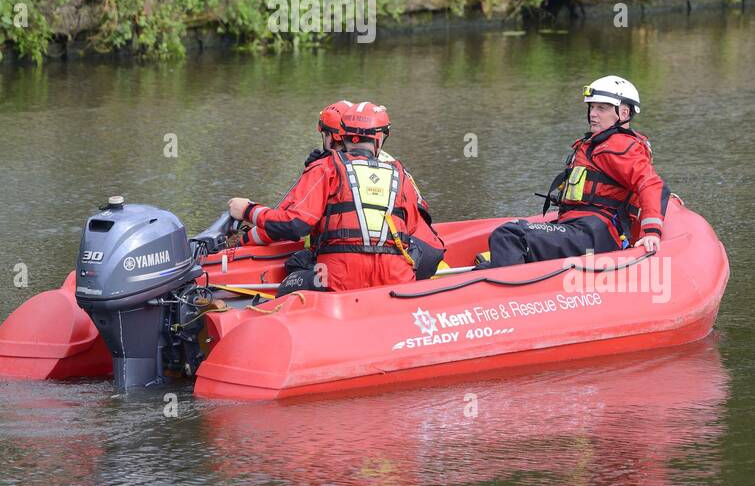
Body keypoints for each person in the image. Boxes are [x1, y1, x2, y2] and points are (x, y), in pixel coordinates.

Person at [227, 101, 440, 293]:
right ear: (379, 139)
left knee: (291, 278)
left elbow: (294, 223)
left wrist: (247, 211)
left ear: (339, 135)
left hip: (340, 277)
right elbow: (409, 226)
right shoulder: (397, 171)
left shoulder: (325, 168)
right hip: (397, 274)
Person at [484, 76, 669, 268]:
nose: (593, 114)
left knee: (509, 235)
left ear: (623, 113)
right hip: (580, 228)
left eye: (601, 108)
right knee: (500, 248)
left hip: (594, 233)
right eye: (592, 107)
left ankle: (512, 292)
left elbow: (650, 183)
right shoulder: (598, 144)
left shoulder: (619, 146)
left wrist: (651, 232)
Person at [296, 99, 445, 282]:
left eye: (325, 134)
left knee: (300, 262)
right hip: (420, 246)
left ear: (337, 136)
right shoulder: (385, 163)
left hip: (405, 252)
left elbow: (296, 219)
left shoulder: (333, 168)